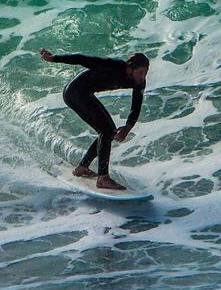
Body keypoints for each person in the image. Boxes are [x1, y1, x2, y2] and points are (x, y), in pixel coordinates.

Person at [39, 48, 149, 191]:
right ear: (130, 69)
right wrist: (54, 58)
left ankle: (82, 168)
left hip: (86, 94)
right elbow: (81, 58)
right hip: (74, 93)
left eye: (145, 72)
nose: (143, 76)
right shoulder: (113, 66)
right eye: (140, 72)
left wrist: (128, 127)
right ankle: (103, 178)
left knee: (109, 131)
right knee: (107, 131)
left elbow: (136, 106)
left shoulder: (139, 82)